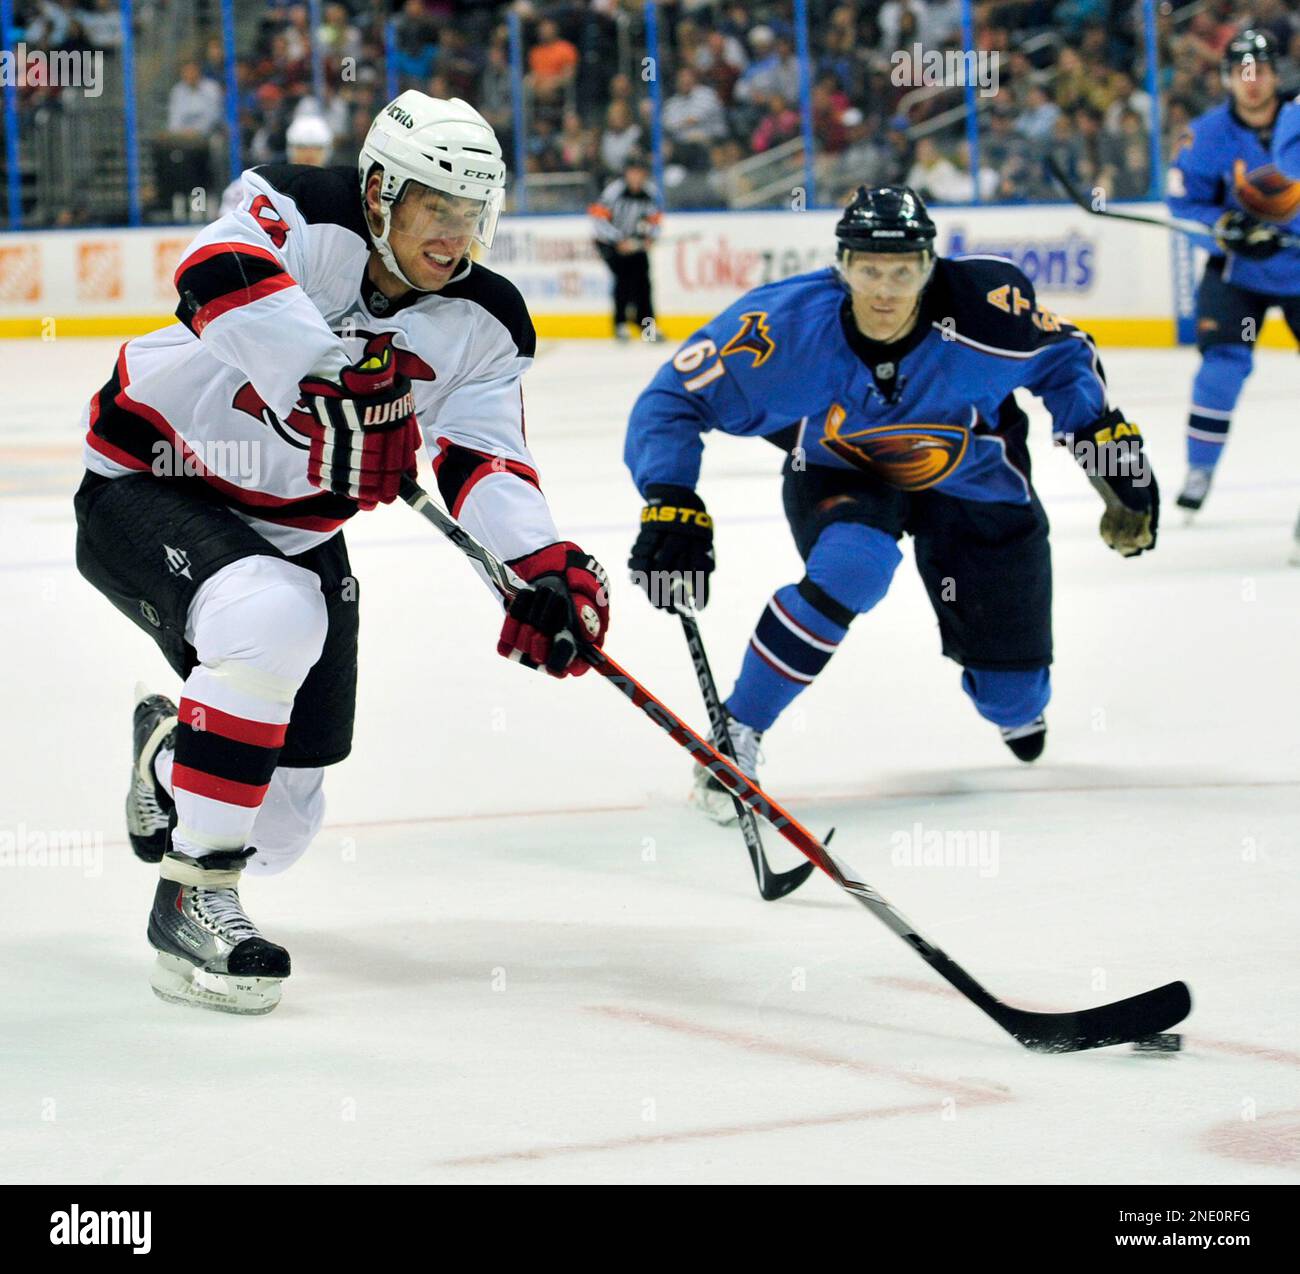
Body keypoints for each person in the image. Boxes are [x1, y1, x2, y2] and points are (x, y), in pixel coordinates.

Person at [74, 92, 610, 1014]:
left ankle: (172, 748)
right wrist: (329, 376)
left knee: (280, 829)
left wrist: (543, 564)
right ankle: (192, 898)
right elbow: (214, 270)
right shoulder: (298, 207)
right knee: (277, 614)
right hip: (149, 477)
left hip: (295, 528)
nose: (455, 237)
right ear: (378, 193)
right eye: (436, 209)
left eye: (472, 215)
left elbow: (483, 459)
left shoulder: (486, 321)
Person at [623, 186, 1158, 820]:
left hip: (976, 482)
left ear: (930, 266)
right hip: (841, 472)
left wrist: (1112, 457)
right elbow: (671, 399)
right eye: (868, 269)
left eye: (902, 270)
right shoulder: (782, 328)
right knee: (855, 565)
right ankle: (735, 734)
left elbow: (1066, 359)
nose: (884, 289)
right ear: (841, 266)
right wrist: (670, 494)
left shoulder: (989, 312)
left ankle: (1010, 697)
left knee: (1012, 700)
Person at [1167, 29, 1300, 515]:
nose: (1252, 82)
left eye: (1260, 70)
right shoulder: (1205, 136)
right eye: (1241, 72)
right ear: (1226, 78)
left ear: (1275, 75)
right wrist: (1223, 227)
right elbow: (1183, 205)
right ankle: (1200, 468)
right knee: (1222, 367)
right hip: (1239, 275)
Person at [589, 152, 663, 342]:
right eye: (633, 172)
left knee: (644, 285)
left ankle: (647, 329)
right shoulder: (614, 191)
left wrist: (649, 238)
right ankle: (620, 325)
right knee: (623, 282)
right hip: (610, 244)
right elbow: (598, 218)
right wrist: (618, 240)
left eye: (640, 172)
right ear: (627, 173)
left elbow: (655, 220)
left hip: (634, 243)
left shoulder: (650, 192)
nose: (636, 176)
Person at [219, 111, 334, 215]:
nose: (309, 154)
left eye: (317, 148)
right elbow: (226, 221)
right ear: (291, 148)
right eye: (302, 147)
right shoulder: (259, 182)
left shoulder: (341, 189)